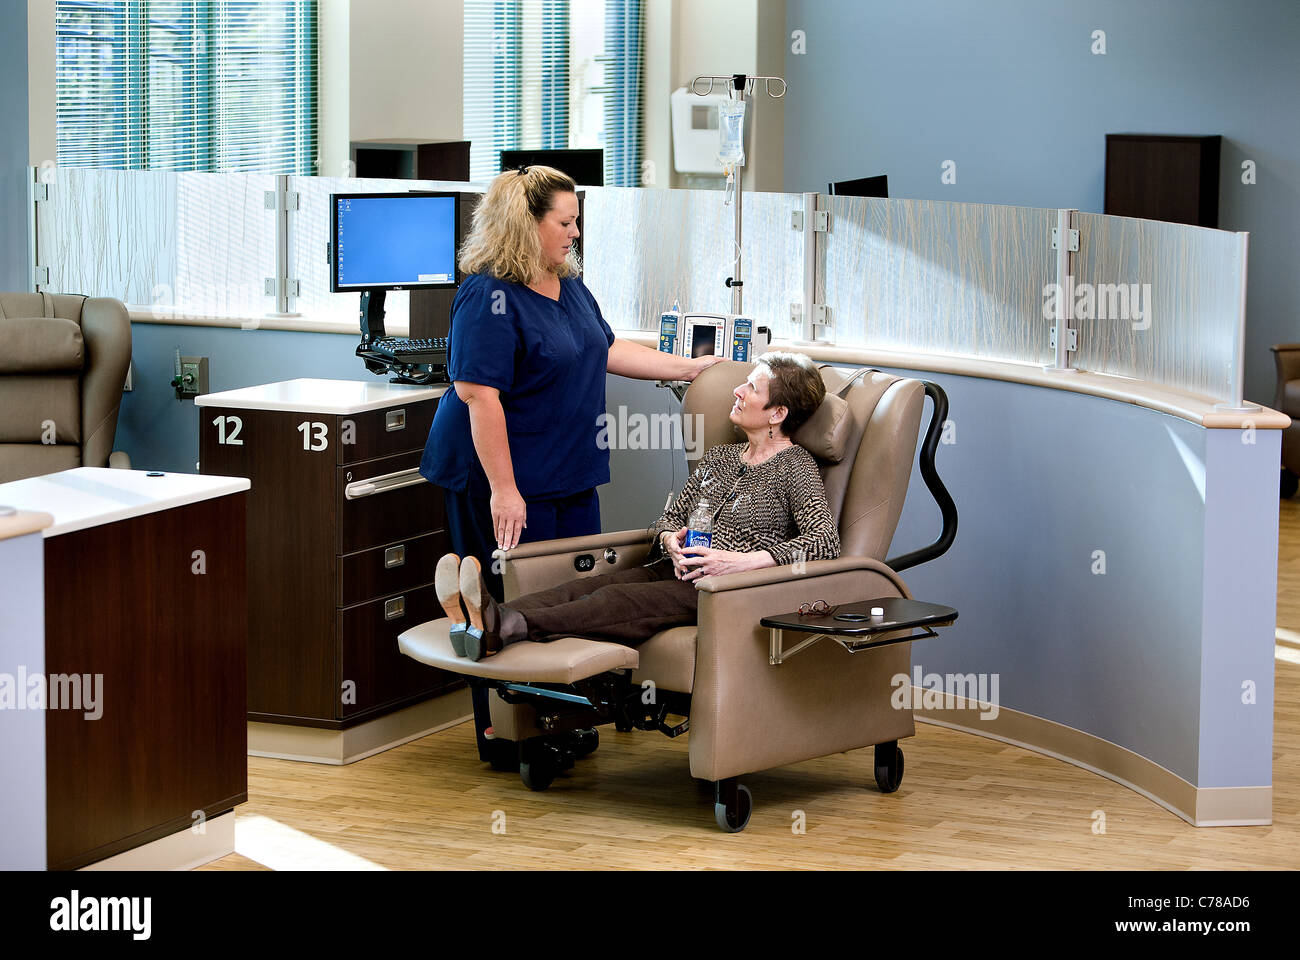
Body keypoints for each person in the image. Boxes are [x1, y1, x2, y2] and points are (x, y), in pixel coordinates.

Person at [419, 165, 722, 756]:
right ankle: (507, 735)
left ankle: (561, 720)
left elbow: (604, 347)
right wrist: (504, 491)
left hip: (568, 467)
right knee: (504, 596)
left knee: (574, 591)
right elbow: (479, 396)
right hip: (500, 473)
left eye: (575, 220)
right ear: (524, 225)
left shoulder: (568, 284)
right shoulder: (489, 297)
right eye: (565, 221)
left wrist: (691, 369)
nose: (575, 233)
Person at [434, 352, 841, 659]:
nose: (738, 390)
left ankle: (505, 627)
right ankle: (484, 617)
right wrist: (669, 540)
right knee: (582, 588)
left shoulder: (795, 467)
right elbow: (667, 518)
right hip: (674, 569)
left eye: (752, 388)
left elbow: (824, 542)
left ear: (778, 413)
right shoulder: (720, 457)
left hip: (725, 590)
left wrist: (742, 562)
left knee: (616, 603)